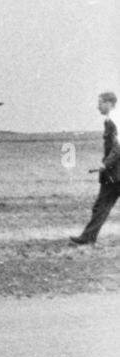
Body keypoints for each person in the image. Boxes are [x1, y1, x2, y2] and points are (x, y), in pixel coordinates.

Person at [71, 91, 119, 245]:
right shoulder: (111, 120)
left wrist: (105, 164)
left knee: (102, 205)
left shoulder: (114, 120)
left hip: (115, 173)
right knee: (101, 205)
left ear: (109, 104)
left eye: (100, 103)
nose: (97, 106)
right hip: (114, 173)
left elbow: (118, 146)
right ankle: (88, 237)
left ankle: (88, 238)